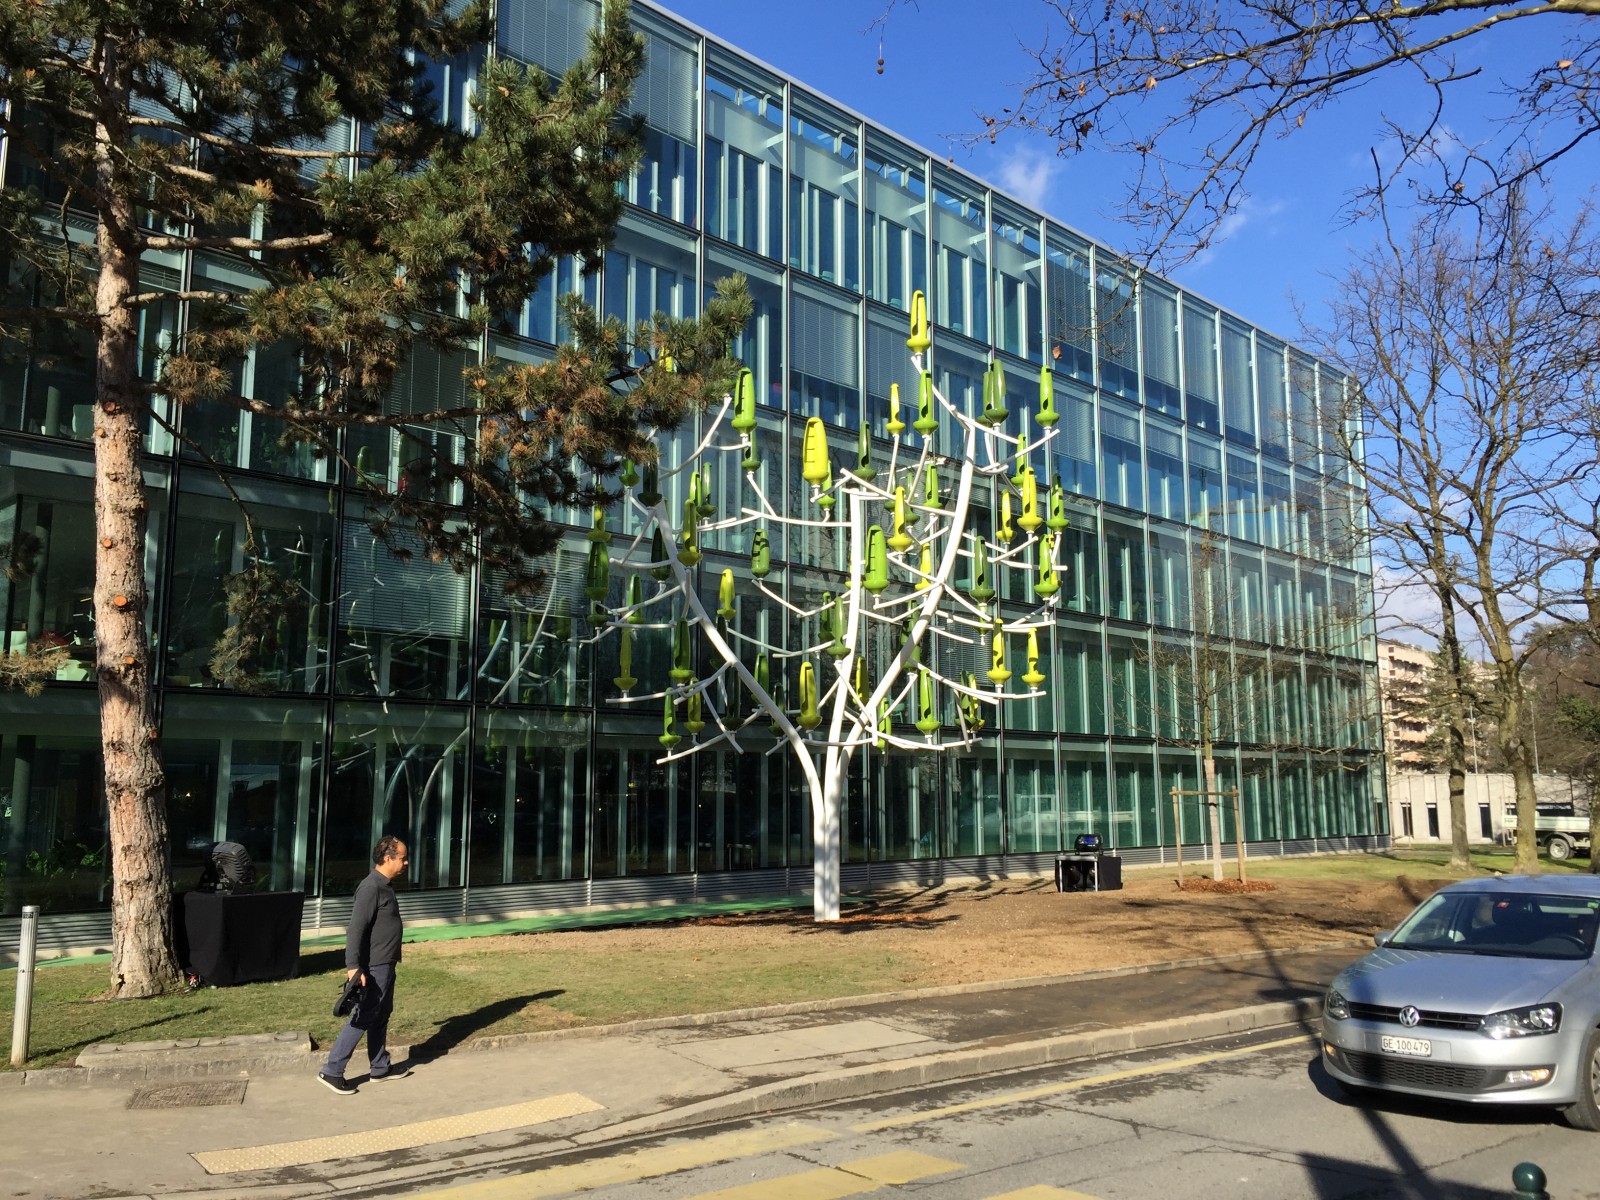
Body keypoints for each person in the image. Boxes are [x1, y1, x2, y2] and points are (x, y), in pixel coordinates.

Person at [319, 836, 410, 1095]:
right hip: (374, 965)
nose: (406, 862)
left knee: (381, 1014)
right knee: (364, 1015)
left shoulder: (385, 885)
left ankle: (380, 1067)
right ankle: (332, 1070)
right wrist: (353, 967)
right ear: (388, 858)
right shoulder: (371, 887)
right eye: (403, 858)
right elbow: (355, 929)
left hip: (386, 963)